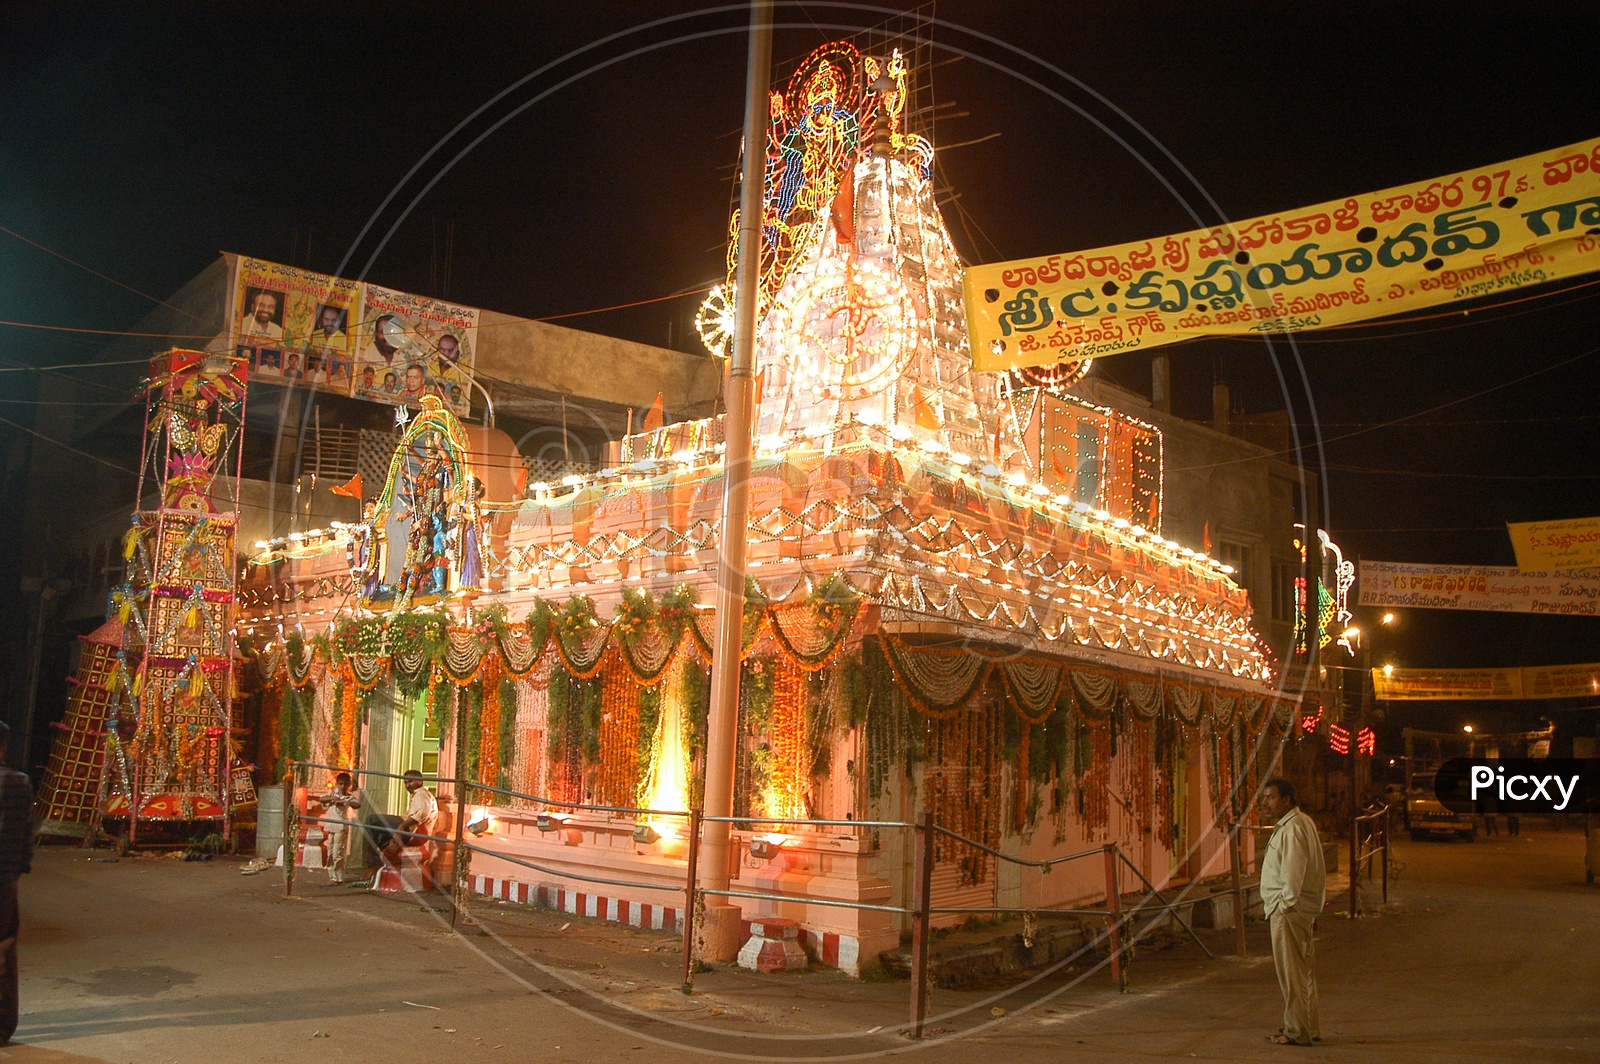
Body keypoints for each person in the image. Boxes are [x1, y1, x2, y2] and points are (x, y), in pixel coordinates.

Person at [1259, 777, 1325, 1047]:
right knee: (1302, 971)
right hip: (1296, 909)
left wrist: (1285, 904)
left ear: (1286, 800)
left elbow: (1293, 872)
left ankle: (1297, 1030)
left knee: (1292, 973)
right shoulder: (1298, 823)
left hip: (1289, 911)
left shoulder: (1293, 828)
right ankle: (1307, 1025)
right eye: (1265, 797)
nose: (1266, 802)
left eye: (1271, 797)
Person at [0, 722, 33, 1046]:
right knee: (5, 950)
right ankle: (3, 1025)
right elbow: (26, 832)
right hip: (5, 879)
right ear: (5, 746)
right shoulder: (20, 782)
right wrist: (20, 866)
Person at [310, 772, 361, 884]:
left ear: (349, 785)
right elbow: (322, 799)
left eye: (345, 784)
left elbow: (357, 804)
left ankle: (339, 877)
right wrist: (333, 798)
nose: (343, 786)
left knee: (338, 852)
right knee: (330, 852)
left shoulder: (348, 797)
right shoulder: (333, 793)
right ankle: (332, 877)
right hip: (331, 826)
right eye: (340, 784)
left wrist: (345, 802)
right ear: (337, 784)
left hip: (340, 827)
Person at [381, 769, 438, 866]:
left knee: (372, 820)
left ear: (420, 781)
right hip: (414, 830)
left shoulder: (421, 793)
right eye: (405, 783)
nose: (407, 785)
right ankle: (379, 864)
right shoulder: (422, 794)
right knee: (380, 832)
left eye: (410, 781)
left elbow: (422, 813)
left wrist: (401, 826)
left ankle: (370, 863)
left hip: (415, 831)